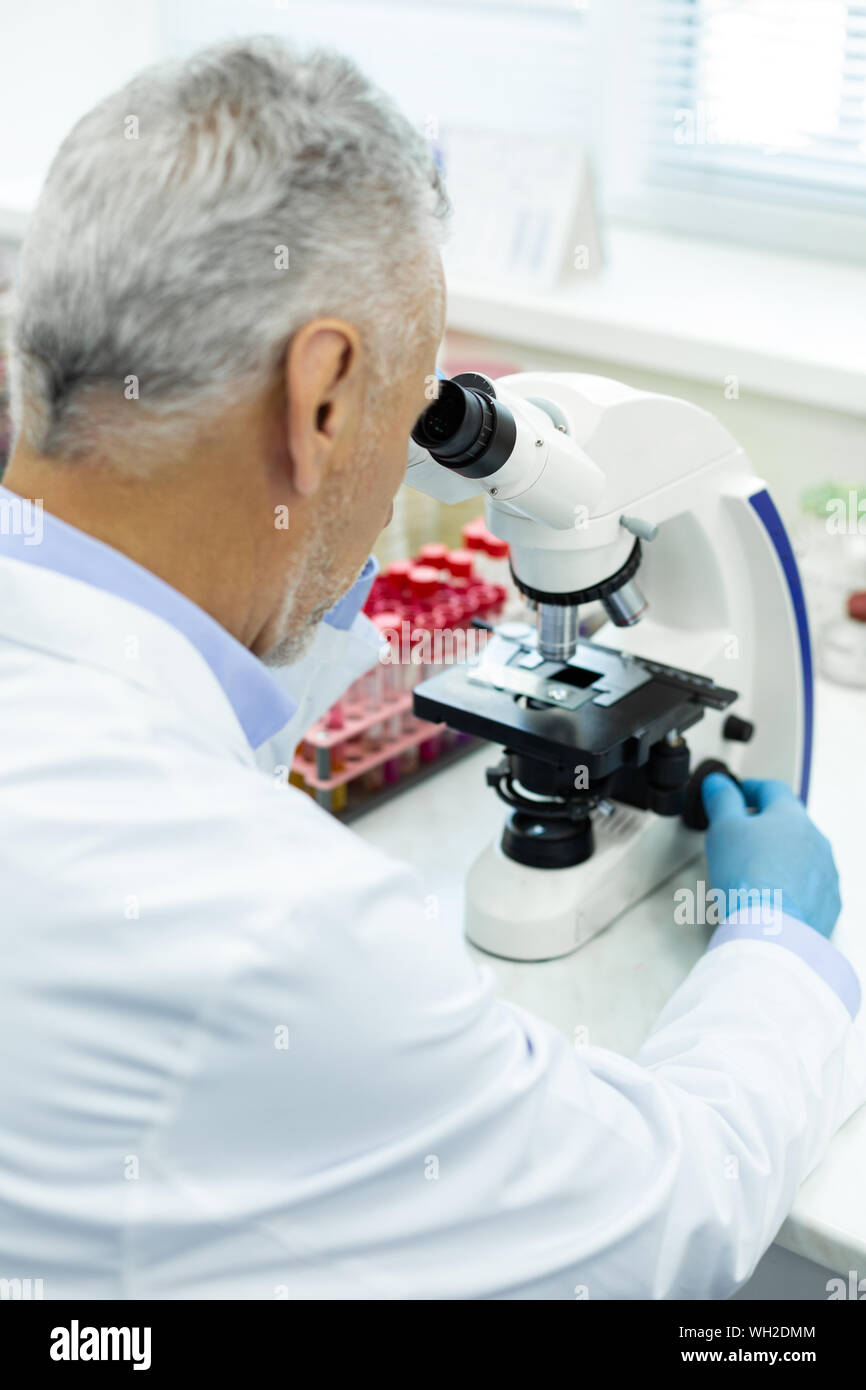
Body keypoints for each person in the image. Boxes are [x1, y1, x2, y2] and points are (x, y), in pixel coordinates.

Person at [0, 37, 862, 1301]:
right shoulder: (280, 925)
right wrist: (778, 951)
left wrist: (315, 566)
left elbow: (168, 733)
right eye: (411, 400)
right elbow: (660, 1220)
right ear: (327, 394)